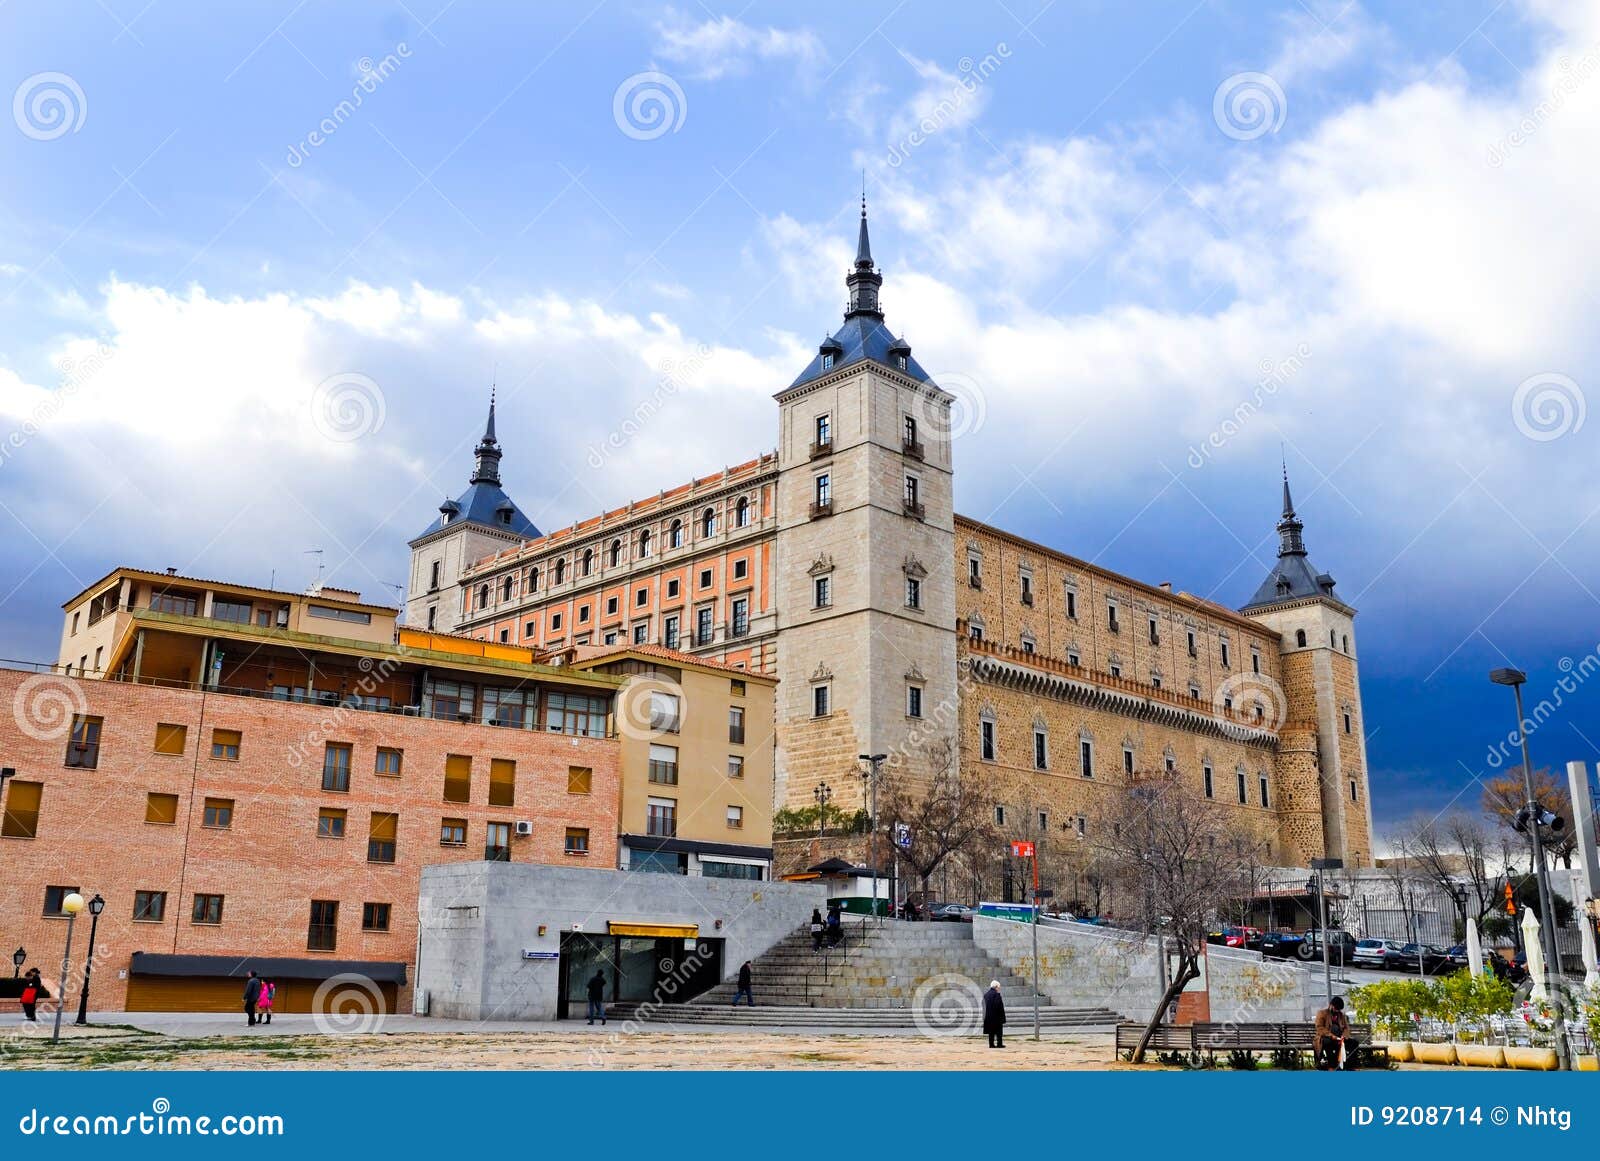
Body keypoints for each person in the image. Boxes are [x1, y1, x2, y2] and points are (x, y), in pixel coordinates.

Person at [1314, 995, 1356, 1070]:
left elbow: (1346, 1028)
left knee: (1354, 1043)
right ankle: (1332, 1066)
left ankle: (1349, 1066)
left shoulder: (1341, 1015)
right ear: (1331, 1005)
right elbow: (1319, 1028)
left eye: (1339, 1009)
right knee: (1328, 1042)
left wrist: (1344, 1036)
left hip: (1339, 1038)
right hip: (1326, 1038)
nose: (1337, 1011)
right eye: (1336, 1008)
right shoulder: (1322, 1013)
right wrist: (1331, 1036)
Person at [983, 980, 1006, 1048]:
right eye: (999, 987)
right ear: (996, 987)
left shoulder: (986, 995)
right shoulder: (997, 995)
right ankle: (999, 1044)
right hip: (996, 1017)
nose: (999, 988)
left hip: (988, 1017)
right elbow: (999, 1006)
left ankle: (991, 1044)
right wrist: (1002, 1017)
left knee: (991, 1032)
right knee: (999, 1031)